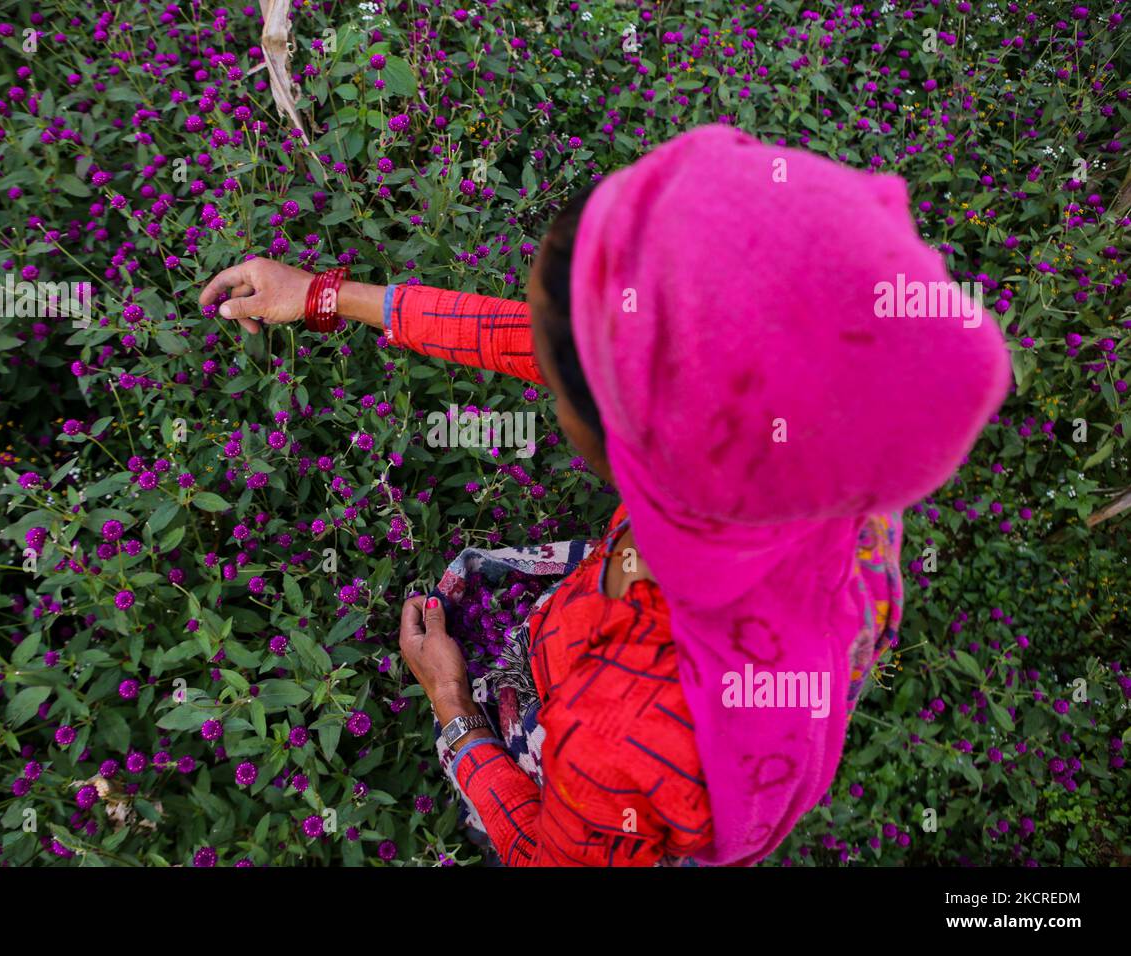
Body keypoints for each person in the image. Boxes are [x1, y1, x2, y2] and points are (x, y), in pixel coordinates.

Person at [199, 125, 1012, 866]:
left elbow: (552, 853)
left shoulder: (620, 728)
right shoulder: (827, 443)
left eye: (562, 380)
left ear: (638, 431)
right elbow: (579, 338)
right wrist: (326, 295)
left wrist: (452, 704)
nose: (549, 379)